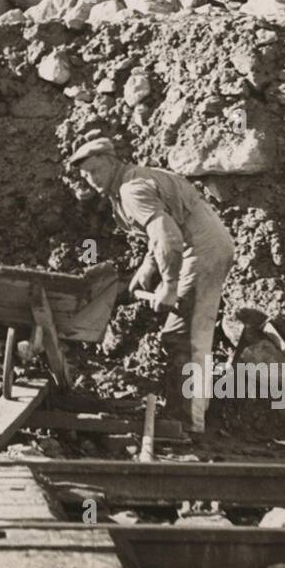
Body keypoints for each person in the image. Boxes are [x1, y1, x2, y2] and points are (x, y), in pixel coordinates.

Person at [67, 137, 234, 433]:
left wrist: (169, 284)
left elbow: (168, 236)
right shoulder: (134, 179)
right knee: (186, 332)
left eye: (95, 171)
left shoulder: (131, 190)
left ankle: (189, 423)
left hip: (203, 250)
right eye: (86, 175)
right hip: (201, 244)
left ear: (111, 162)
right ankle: (186, 413)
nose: (91, 180)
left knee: (186, 333)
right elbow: (163, 228)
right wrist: (148, 266)